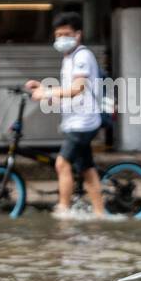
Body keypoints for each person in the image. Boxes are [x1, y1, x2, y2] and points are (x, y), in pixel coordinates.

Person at [25, 12, 106, 218]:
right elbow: (68, 90)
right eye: (58, 35)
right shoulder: (68, 58)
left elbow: (78, 88)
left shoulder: (82, 56)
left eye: (66, 34)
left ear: (78, 35)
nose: (61, 38)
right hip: (74, 121)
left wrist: (46, 93)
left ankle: (63, 209)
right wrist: (43, 89)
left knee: (62, 163)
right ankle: (100, 212)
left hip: (84, 122)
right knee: (86, 168)